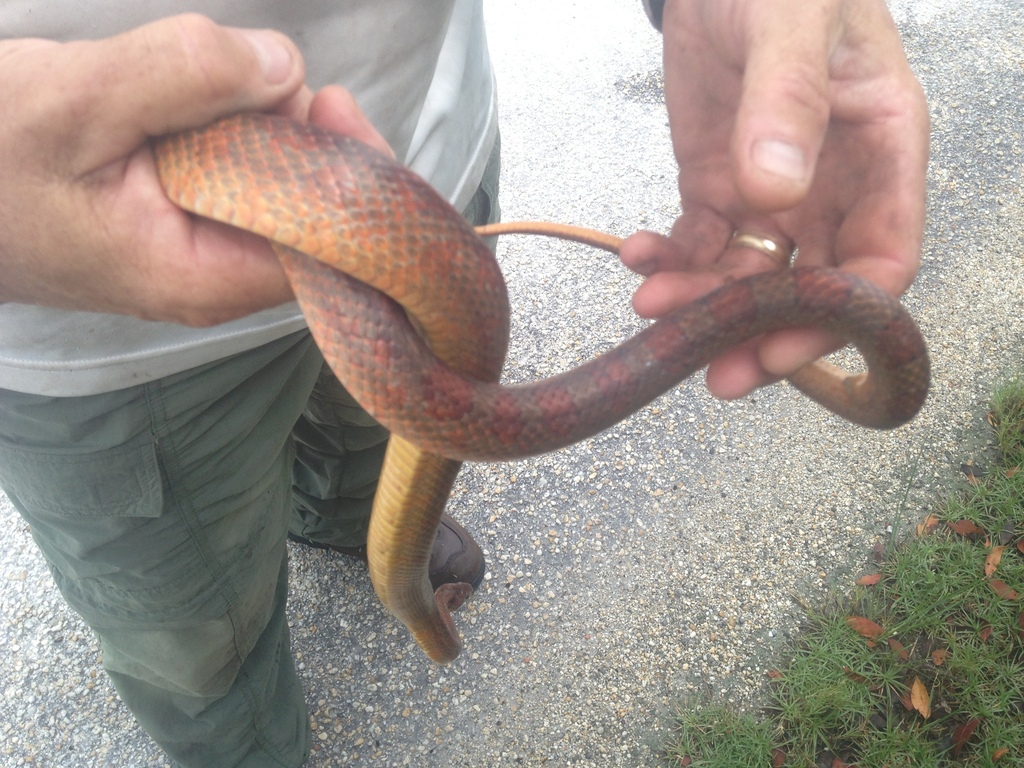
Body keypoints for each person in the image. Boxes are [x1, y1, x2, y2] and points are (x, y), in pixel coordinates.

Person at [0, 0, 927, 765]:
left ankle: (339, 523)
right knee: (191, 628)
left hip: (425, 186)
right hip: (85, 332)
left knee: (369, 439)